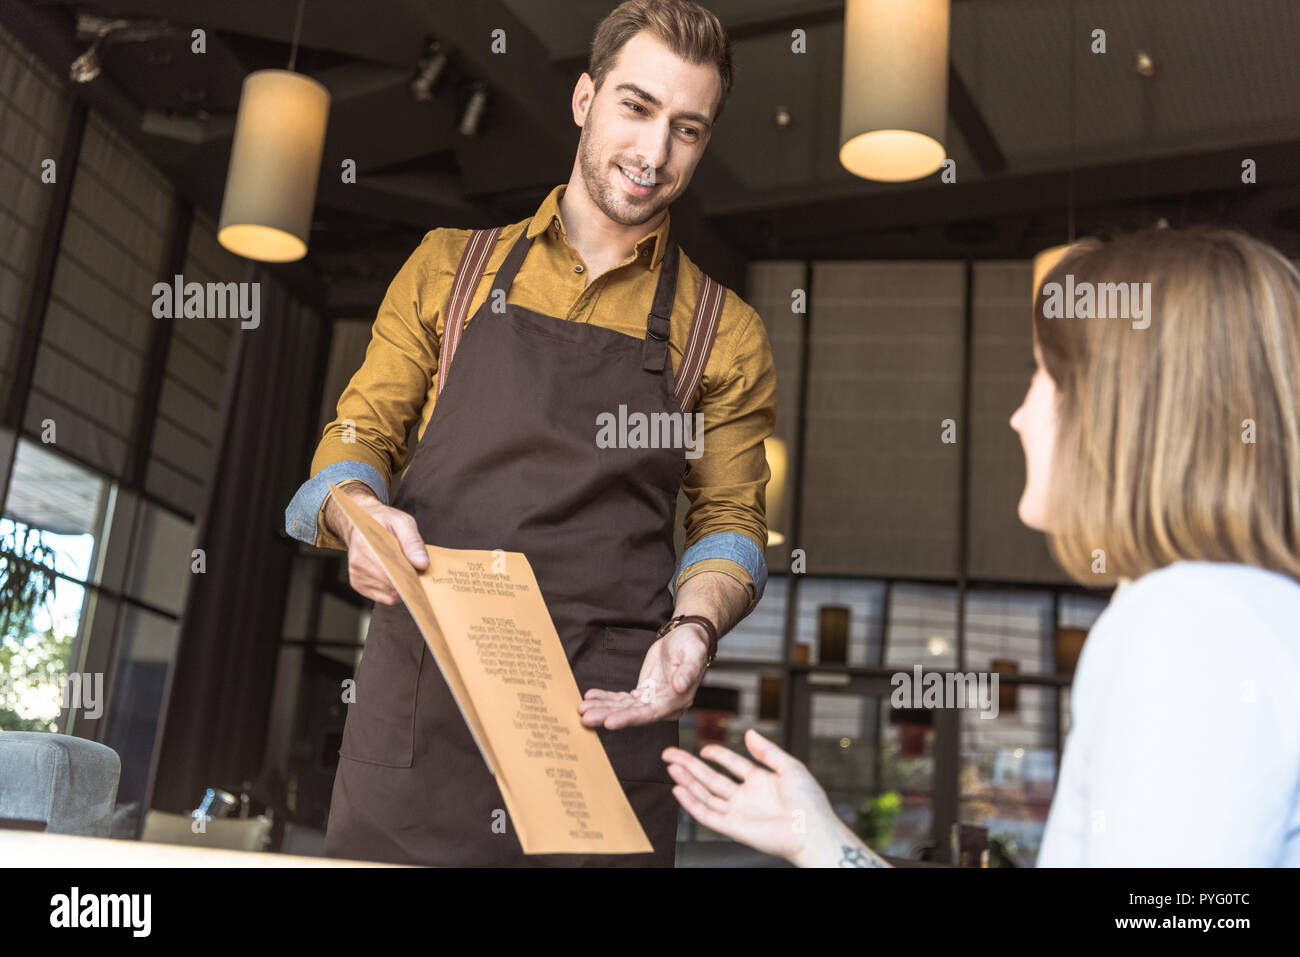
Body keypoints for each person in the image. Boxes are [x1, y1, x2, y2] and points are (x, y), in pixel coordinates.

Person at [283, 0, 777, 867]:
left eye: (687, 129)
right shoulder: (450, 267)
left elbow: (731, 522)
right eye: (636, 107)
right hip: (421, 719)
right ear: (585, 98)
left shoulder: (722, 332)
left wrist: (693, 629)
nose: (655, 153)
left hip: (602, 729)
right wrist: (356, 513)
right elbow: (356, 438)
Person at [664, 227, 1300, 867]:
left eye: (1045, 378)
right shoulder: (1233, 613)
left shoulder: (1186, 624)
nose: (1020, 416)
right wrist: (818, 840)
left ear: (1127, 410)